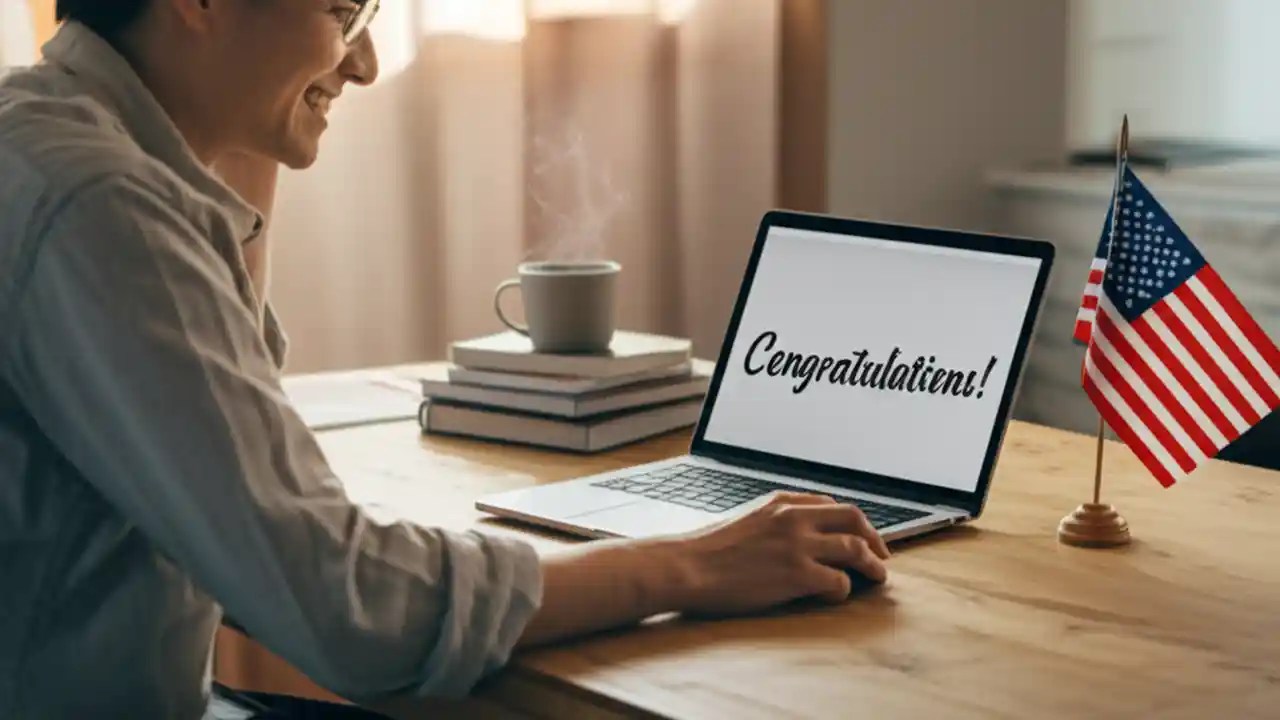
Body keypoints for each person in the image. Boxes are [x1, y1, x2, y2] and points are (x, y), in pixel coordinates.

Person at [0, 1, 892, 718]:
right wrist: (691, 565)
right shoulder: (101, 207)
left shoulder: (44, 136)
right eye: (343, 16)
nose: (364, 64)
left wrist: (241, 129)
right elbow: (345, 605)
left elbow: (232, 505)